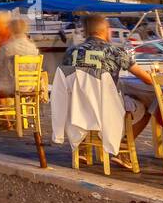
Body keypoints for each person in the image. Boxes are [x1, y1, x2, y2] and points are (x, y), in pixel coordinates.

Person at [60, 14, 156, 169]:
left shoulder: (71, 52)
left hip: (78, 108)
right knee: (145, 109)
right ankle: (123, 150)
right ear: (105, 31)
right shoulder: (114, 51)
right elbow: (146, 79)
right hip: (106, 108)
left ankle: (83, 147)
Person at [0, 17, 41, 114]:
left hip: (10, 87)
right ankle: (1, 117)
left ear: (11, 30)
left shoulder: (7, 47)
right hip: (29, 86)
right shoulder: (33, 48)